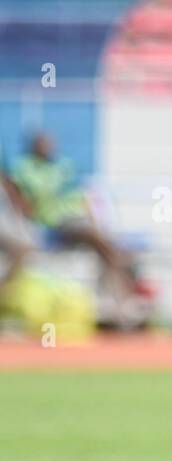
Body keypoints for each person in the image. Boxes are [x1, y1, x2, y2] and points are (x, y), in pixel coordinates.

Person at [7, 133, 151, 327]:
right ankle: (127, 284)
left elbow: (82, 196)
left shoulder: (63, 167)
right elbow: (19, 198)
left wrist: (91, 217)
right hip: (54, 223)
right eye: (43, 143)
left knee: (102, 246)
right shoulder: (24, 168)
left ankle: (119, 303)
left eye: (50, 142)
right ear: (33, 146)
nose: (48, 146)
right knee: (103, 244)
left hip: (77, 221)